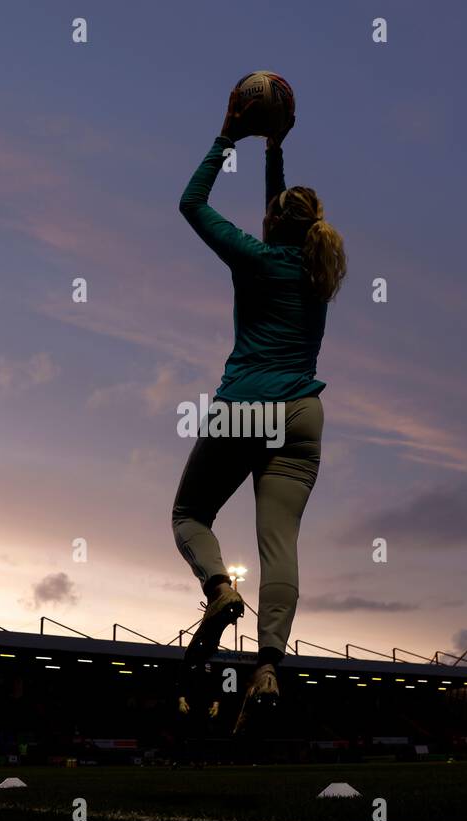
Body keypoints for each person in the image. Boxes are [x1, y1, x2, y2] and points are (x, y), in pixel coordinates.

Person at [173, 85, 347, 735]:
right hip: (303, 413)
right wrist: (274, 148)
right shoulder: (317, 270)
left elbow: (190, 204)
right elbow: (280, 213)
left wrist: (227, 138)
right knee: (280, 544)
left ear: (273, 222)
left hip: (247, 407)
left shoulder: (253, 255)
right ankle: (269, 664)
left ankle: (219, 588)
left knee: (190, 513)